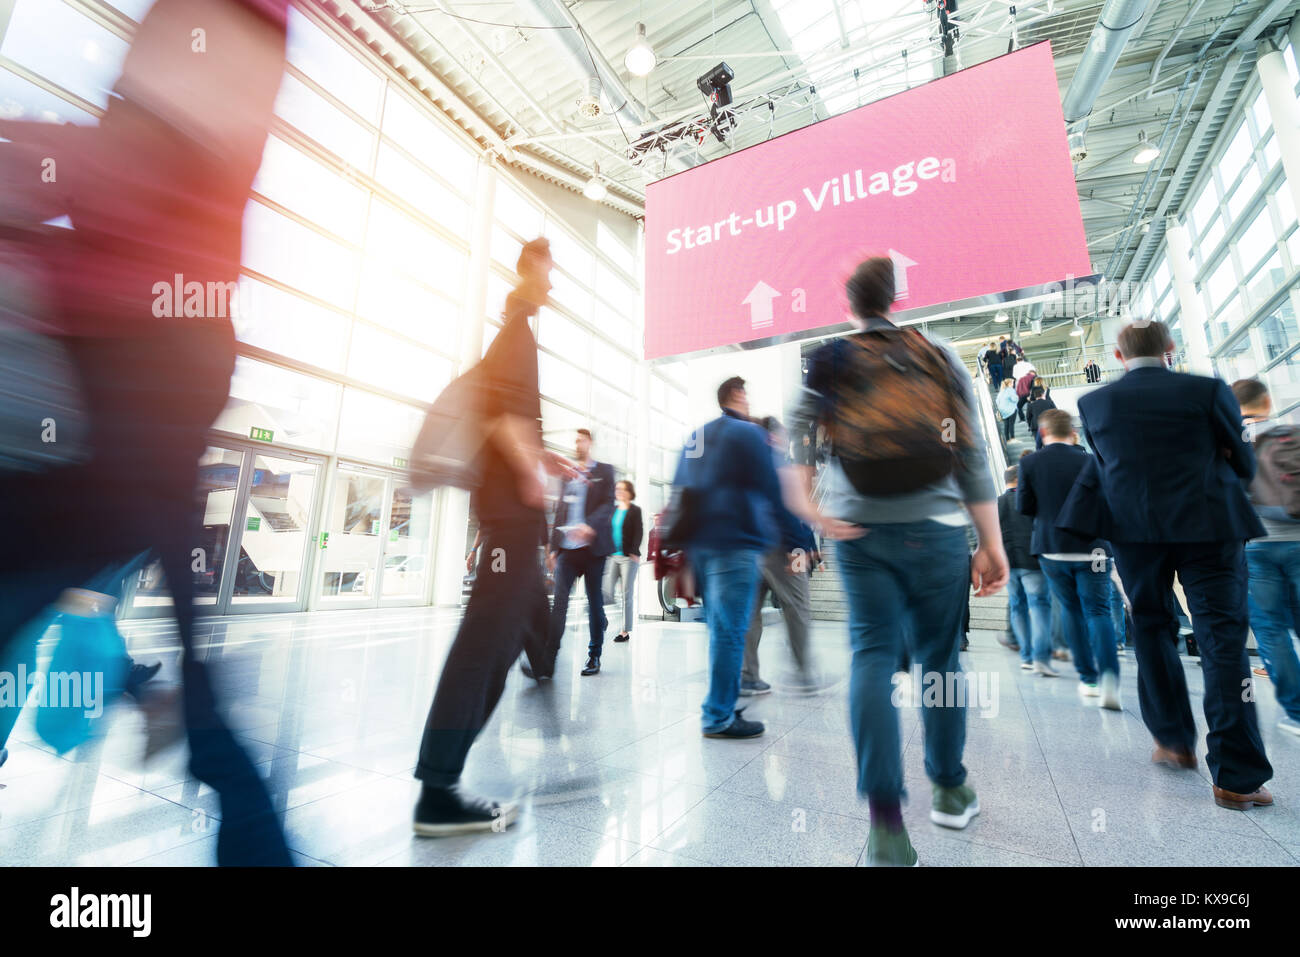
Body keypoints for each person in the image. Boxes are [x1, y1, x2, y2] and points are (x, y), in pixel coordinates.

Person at [0, 0, 294, 865]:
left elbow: (112, 171)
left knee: (51, 578)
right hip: (143, 387)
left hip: (127, 387)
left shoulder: (215, 55)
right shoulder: (229, 62)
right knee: (189, 676)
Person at [784, 256, 1008, 867]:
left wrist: (812, 510)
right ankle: (949, 786)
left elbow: (797, 434)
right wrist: (991, 541)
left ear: (849, 303)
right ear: (895, 298)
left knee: (872, 659)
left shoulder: (829, 360)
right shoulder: (937, 354)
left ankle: (886, 826)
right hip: (937, 531)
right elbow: (970, 453)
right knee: (940, 660)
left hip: (860, 534)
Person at [1058, 320, 1274, 811]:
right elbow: (1243, 462)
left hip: (1134, 533)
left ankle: (1173, 741)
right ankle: (1237, 777)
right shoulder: (1207, 389)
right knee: (1222, 642)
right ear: (1170, 348)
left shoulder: (1094, 404)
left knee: (1152, 628)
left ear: (1117, 356)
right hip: (1210, 527)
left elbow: (1109, 463)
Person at [412, 238, 577, 837]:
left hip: (513, 518)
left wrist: (542, 456)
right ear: (529, 270)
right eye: (548, 270)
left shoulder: (516, 335)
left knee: (501, 641)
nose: (553, 283)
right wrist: (532, 477)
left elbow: (509, 417)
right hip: (510, 518)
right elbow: (499, 419)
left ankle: (442, 780)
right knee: (485, 641)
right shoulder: (516, 334)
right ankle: (437, 789)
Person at [671, 376, 801, 741]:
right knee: (730, 633)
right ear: (738, 396)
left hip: (701, 546)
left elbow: (681, 491)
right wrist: (796, 541)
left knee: (720, 631)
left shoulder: (698, 436)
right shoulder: (748, 435)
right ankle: (718, 716)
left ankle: (722, 702)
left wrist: (683, 555)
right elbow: (775, 491)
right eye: (746, 392)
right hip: (735, 544)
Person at [1019, 410, 1120, 708]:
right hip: (1094, 549)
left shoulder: (1029, 463)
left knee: (1071, 611)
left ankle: (1088, 679)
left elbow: (1024, 506)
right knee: (1099, 611)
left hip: (1053, 548)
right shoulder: (1092, 460)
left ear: (1042, 432)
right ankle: (1109, 679)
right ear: (1073, 431)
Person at [1231, 377, 1300, 736]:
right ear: (1267, 401)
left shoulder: (1232, 442)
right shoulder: (1291, 432)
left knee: (1272, 631)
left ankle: (1298, 712)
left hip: (1257, 545)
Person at [741, 416, 821, 696]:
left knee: (750, 614)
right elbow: (790, 509)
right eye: (783, 435)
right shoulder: (776, 461)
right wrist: (800, 546)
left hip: (752, 548)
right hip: (782, 547)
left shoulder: (748, 466)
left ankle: (747, 675)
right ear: (773, 437)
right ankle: (804, 673)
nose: (786, 439)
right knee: (798, 608)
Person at [545, 428, 615, 677]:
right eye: (574, 440)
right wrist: (554, 548)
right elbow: (560, 510)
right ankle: (548, 659)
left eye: (581, 440)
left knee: (594, 603)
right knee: (559, 604)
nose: (577, 443)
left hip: (594, 550)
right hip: (568, 551)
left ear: (590, 442)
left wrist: (590, 525)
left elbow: (609, 504)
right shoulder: (568, 475)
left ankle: (594, 655)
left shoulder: (604, 471)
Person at [999, 466, 1056, 676]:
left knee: (1017, 606)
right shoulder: (1033, 501)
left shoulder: (996, 503)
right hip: (1033, 563)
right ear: (1019, 479)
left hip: (1008, 563)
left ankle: (1026, 657)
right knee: (1040, 607)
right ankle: (1041, 658)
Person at [604, 479, 643, 644]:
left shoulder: (635, 510)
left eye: (622, 489)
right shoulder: (613, 510)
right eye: (617, 488)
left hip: (628, 557)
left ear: (629, 492)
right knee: (606, 591)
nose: (618, 491)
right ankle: (602, 619)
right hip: (612, 555)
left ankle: (625, 631)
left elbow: (638, 531)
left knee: (627, 594)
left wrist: (634, 551)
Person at [1025, 380, 1056, 450]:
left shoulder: (1030, 405)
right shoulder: (1049, 402)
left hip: (1035, 428)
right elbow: (1056, 413)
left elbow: (1028, 417)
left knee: (1038, 446)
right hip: (1048, 426)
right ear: (1042, 394)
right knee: (1048, 445)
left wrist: (1030, 426)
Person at [996, 377, 1019, 442]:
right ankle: (1013, 438)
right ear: (1009, 384)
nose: (1013, 385)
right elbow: (1015, 399)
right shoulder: (1011, 390)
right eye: (1012, 383)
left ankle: (1007, 439)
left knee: (1006, 425)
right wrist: (1017, 396)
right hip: (1011, 410)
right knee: (1011, 424)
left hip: (1003, 411)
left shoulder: (1001, 391)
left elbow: (997, 401)